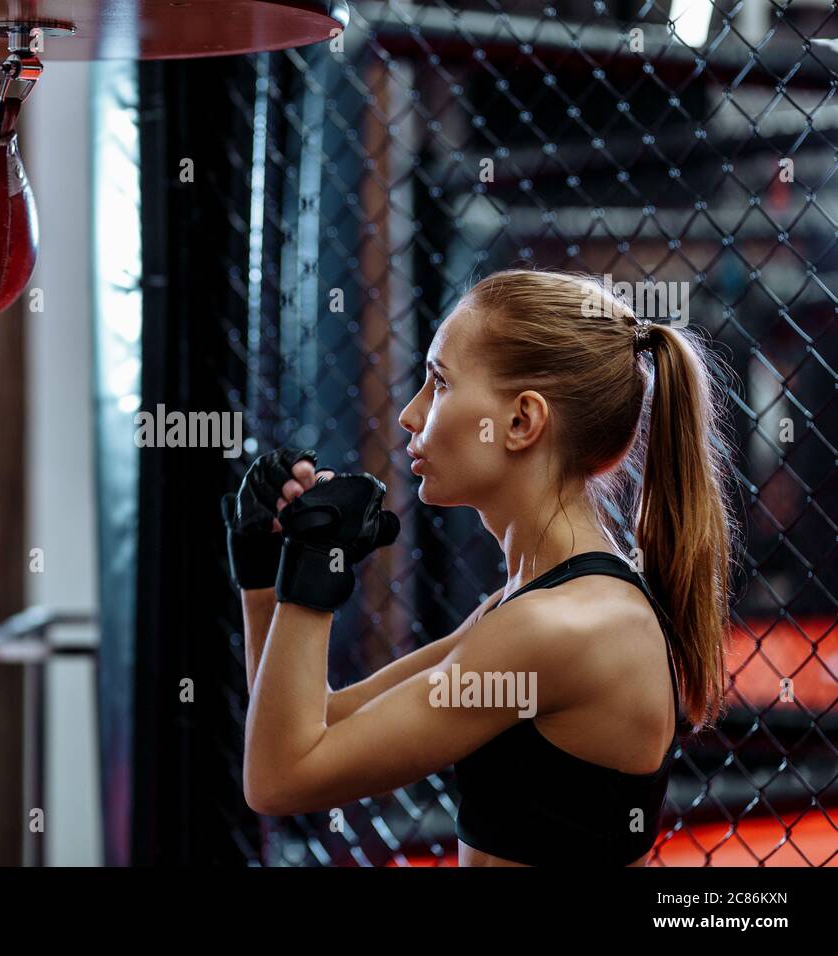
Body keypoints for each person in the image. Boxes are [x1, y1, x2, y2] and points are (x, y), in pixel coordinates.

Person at [222, 268, 736, 866]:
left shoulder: (559, 627)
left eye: (438, 384)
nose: (411, 415)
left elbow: (281, 779)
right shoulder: (522, 606)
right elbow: (318, 722)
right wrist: (267, 573)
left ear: (521, 422)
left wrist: (313, 577)